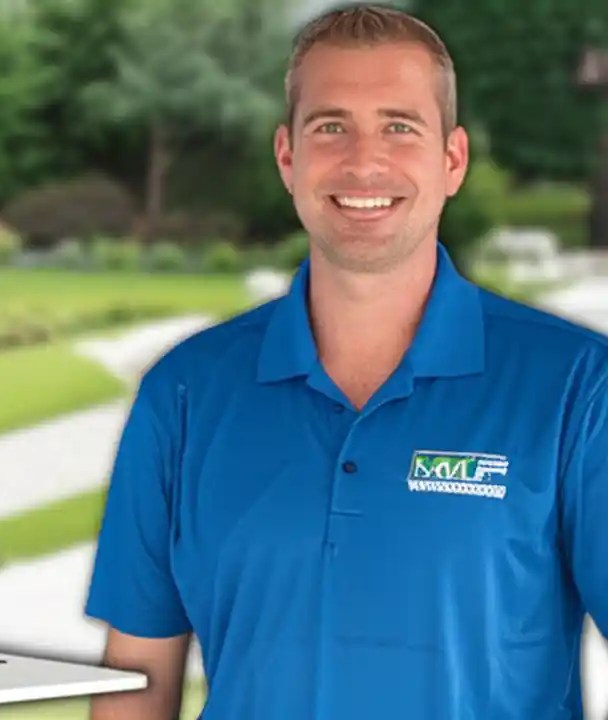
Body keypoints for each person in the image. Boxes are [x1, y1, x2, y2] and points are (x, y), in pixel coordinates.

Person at [83, 4, 608, 719]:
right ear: (287, 157)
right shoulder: (183, 392)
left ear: (451, 159)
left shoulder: (577, 388)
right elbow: (139, 670)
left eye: (399, 125)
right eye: (331, 126)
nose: (365, 160)